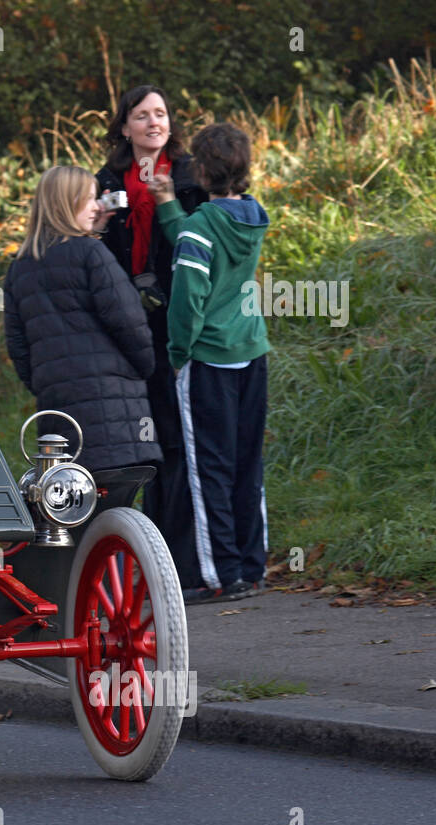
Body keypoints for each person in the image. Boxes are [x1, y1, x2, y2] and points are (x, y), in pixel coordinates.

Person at [151, 122, 270, 603]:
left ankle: (222, 575)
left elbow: (187, 300)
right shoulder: (253, 216)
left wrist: (178, 353)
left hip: (208, 362)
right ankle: (251, 565)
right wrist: (168, 206)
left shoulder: (200, 229)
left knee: (209, 470)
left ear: (200, 170)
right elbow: (201, 241)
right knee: (247, 463)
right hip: (253, 352)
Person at [96, 85, 208, 590]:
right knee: (137, 445)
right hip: (122, 327)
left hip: (174, 324)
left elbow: (201, 246)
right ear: (124, 127)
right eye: (142, 116)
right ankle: (131, 561)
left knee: (177, 443)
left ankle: (179, 566)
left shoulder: (188, 177)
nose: (153, 122)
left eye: (160, 114)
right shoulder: (105, 181)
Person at [3, 166, 159, 472]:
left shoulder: (19, 268)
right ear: (66, 203)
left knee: (72, 504)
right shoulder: (91, 254)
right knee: (116, 504)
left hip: (58, 412)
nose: (98, 206)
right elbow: (128, 320)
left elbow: (18, 345)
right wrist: (145, 368)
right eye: (89, 199)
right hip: (115, 409)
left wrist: (45, 385)